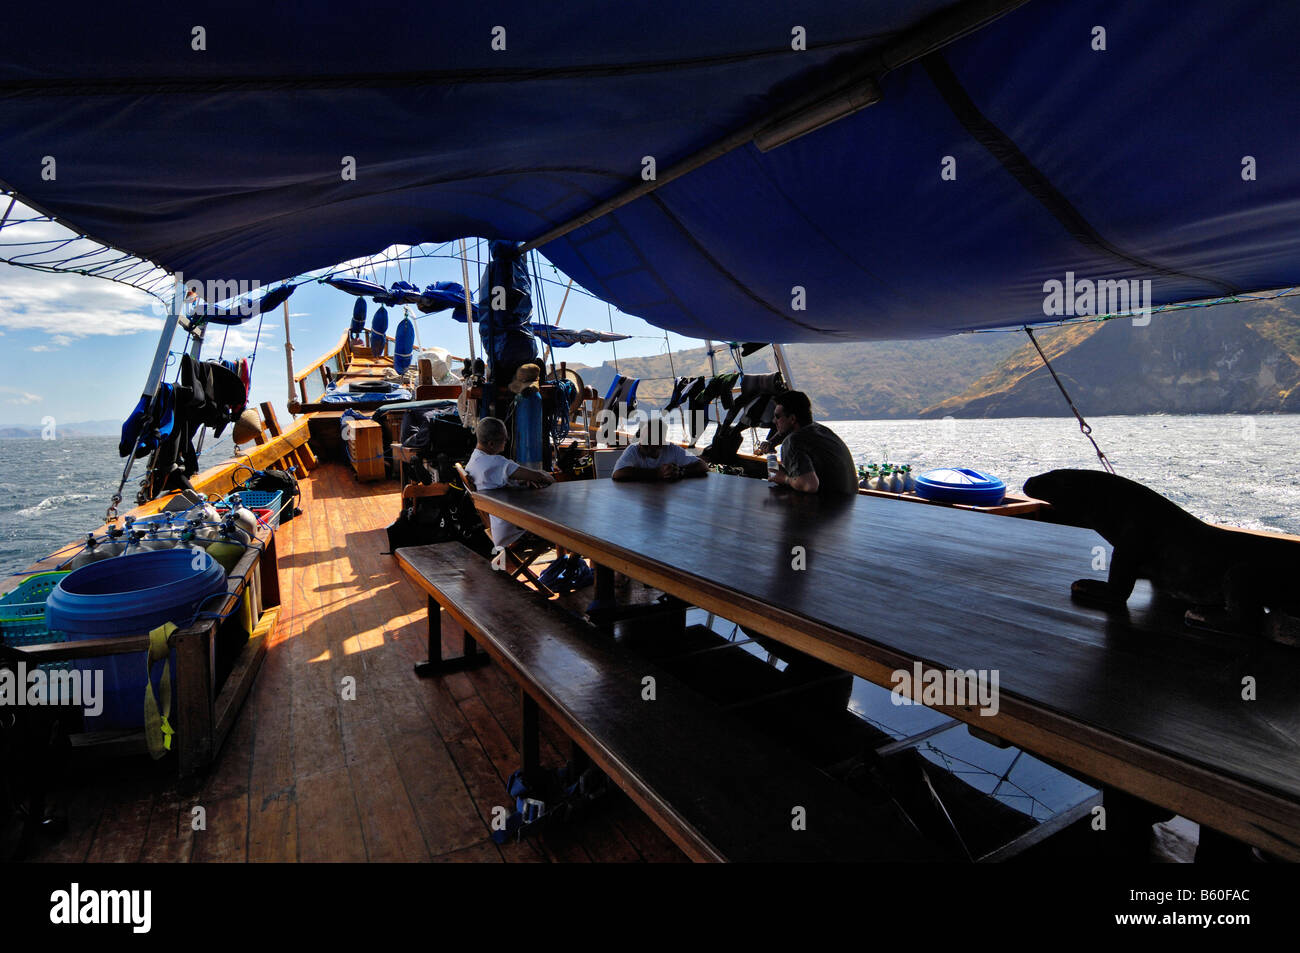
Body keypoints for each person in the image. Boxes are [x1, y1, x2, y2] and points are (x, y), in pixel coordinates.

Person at [465, 417, 554, 547]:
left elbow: (499, 481)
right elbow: (541, 477)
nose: (507, 441)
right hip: (511, 528)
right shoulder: (495, 463)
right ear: (491, 444)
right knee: (561, 522)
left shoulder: (475, 460)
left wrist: (521, 482)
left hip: (498, 522)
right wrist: (549, 477)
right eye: (504, 438)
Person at [759, 390, 857, 495]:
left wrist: (784, 478)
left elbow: (810, 485)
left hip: (828, 507)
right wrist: (771, 442)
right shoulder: (820, 430)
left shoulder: (793, 441)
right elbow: (784, 432)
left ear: (792, 419)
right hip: (850, 504)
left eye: (777, 416)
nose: (774, 421)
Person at [611, 414, 709, 482]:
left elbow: (703, 465)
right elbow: (618, 473)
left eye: (648, 440)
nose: (643, 443)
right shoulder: (634, 449)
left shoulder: (671, 449)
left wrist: (679, 471)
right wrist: (657, 473)